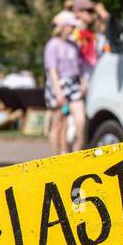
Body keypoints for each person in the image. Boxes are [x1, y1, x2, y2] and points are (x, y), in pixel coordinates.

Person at [44, 11, 85, 155]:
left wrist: (82, 82)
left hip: (73, 83)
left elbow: (77, 66)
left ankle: (75, 154)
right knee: (59, 124)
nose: (72, 29)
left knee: (80, 121)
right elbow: (52, 70)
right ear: (62, 26)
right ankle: (57, 156)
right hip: (57, 84)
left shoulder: (73, 45)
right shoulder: (52, 45)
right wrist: (58, 92)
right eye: (70, 26)